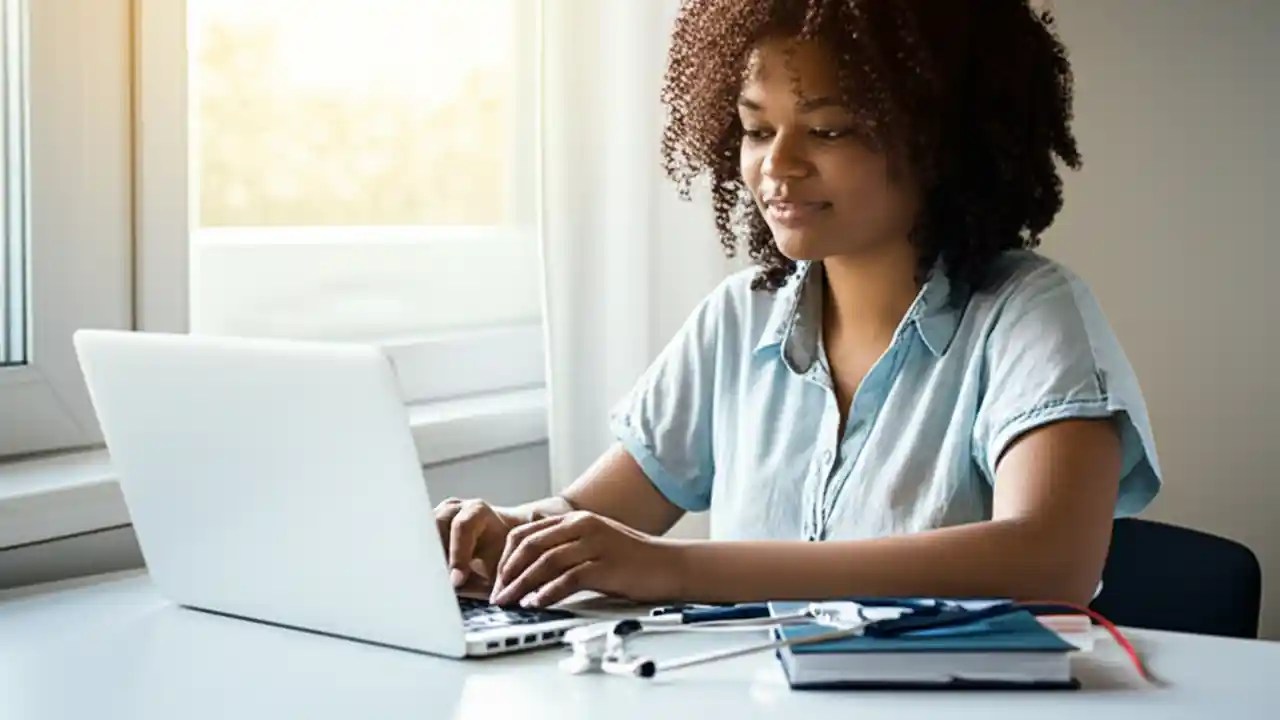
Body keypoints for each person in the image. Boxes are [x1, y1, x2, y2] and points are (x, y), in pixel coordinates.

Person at [435, 0, 1161, 611]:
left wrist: (677, 569)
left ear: (942, 137)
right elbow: (593, 517)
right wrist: (500, 530)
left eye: (828, 130)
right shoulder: (738, 316)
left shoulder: (1029, 313)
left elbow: (1049, 561)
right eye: (756, 130)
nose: (776, 166)